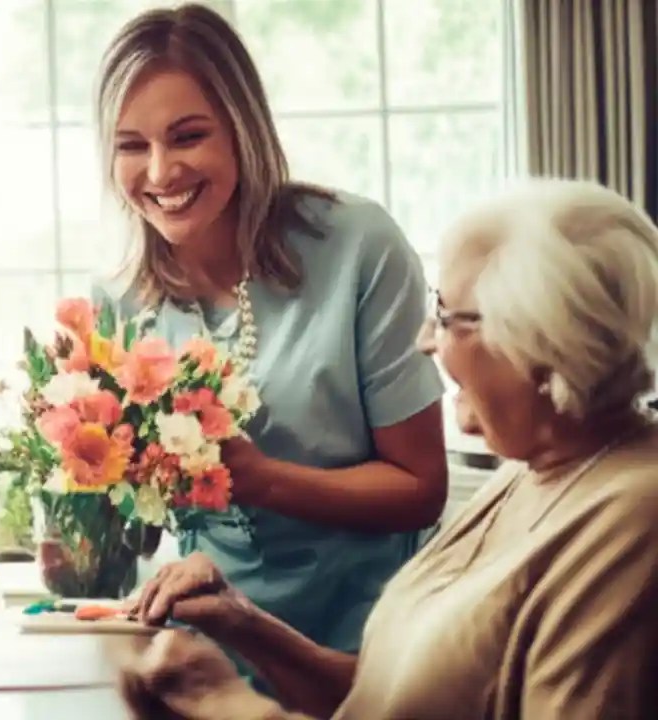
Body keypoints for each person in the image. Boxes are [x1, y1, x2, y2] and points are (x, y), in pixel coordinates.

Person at [123, 178, 658, 719]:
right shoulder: (539, 468)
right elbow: (394, 702)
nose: (426, 339)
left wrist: (232, 706)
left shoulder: (634, 519)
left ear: (541, 343)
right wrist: (241, 623)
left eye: (448, 317)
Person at [91, 2, 447, 658]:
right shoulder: (116, 299)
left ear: (242, 129)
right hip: (203, 640)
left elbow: (421, 490)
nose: (162, 172)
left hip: (363, 640)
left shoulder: (356, 246)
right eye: (132, 145)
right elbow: (140, 525)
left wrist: (262, 479)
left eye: (189, 135)